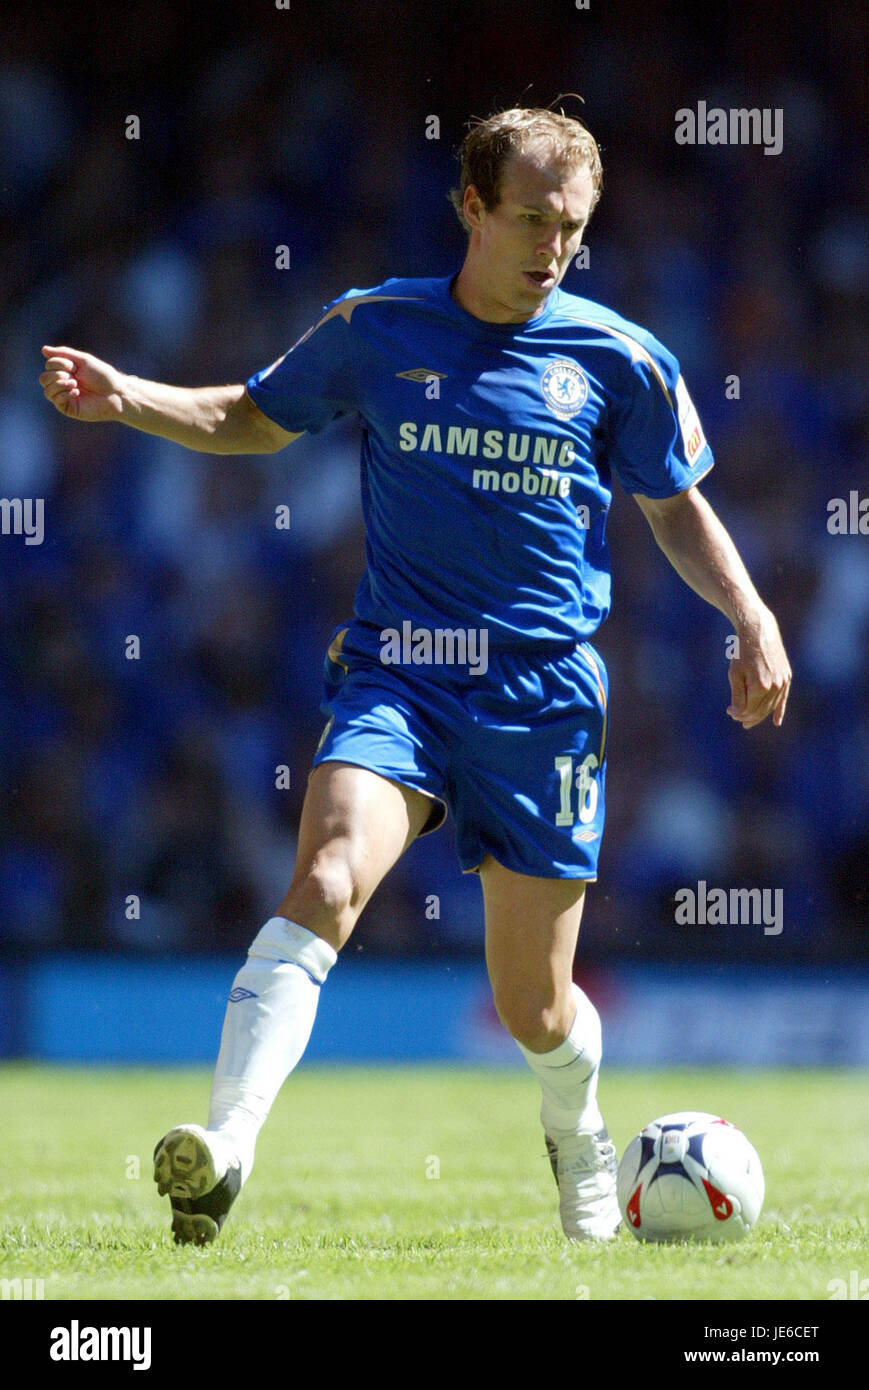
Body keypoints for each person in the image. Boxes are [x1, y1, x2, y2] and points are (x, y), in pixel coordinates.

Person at [40, 106, 791, 1247]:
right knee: (331, 875)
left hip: (541, 698)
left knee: (531, 1009)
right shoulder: (377, 327)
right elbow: (253, 416)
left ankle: (575, 1127)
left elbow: (672, 505)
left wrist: (747, 610)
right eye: (530, 219)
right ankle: (227, 1145)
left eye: (572, 228)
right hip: (399, 673)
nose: (551, 246)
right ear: (471, 208)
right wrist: (128, 396)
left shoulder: (619, 359)